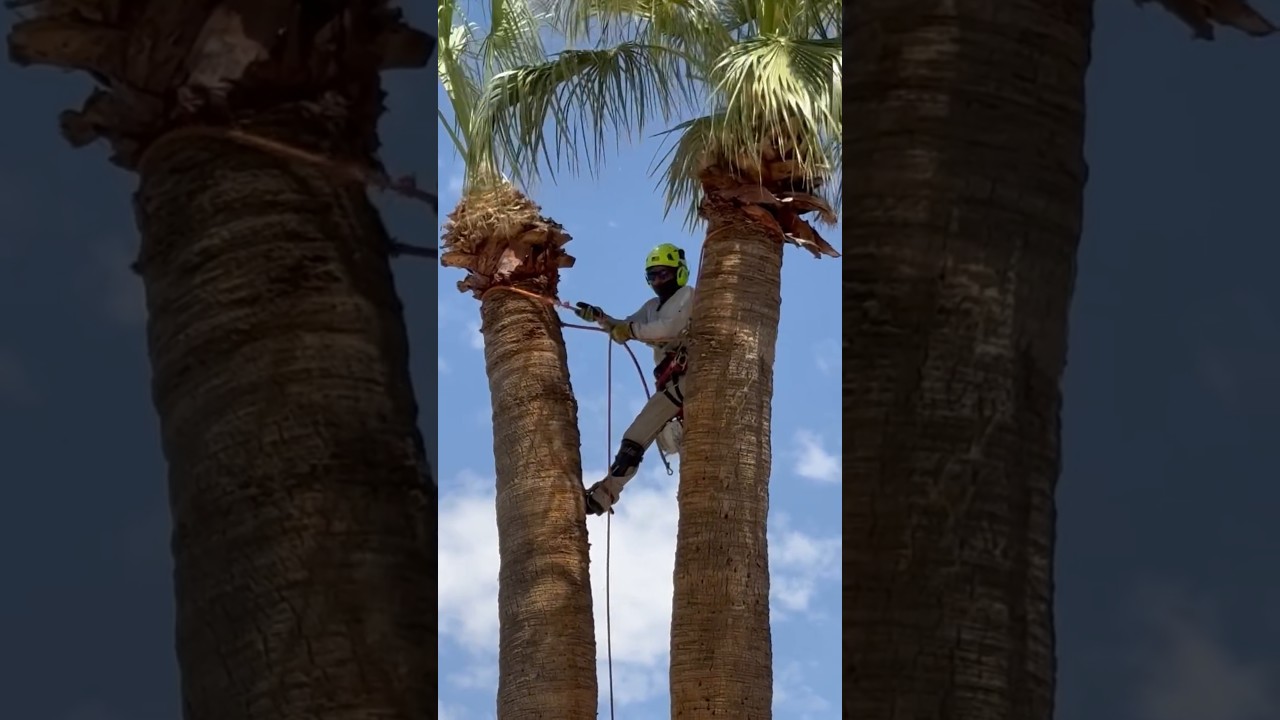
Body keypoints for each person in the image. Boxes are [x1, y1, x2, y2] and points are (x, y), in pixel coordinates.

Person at [574, 242, 694, 515]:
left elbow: (666, 329)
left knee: (636, 436)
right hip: (672, 386)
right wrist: (600, 318)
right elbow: (626, 326)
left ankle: (606, 493)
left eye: (663, 274)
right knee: (633, 440)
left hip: (691, 380)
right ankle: (604, 495)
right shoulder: (652, 306)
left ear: (679, 273)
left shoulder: (688, 296)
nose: (657, 281)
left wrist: (627, 329)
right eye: (652, 276)